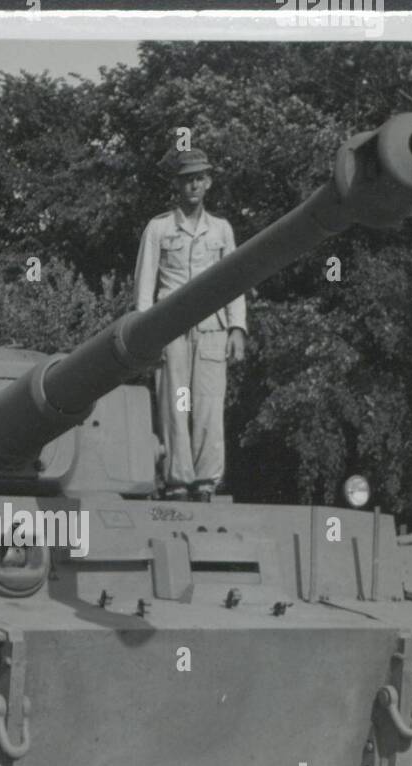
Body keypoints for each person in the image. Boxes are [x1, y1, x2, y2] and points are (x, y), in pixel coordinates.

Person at [134, 146, 247, 501]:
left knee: (209, 404)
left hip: (212, 328)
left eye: (199, 178)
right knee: (176, 403)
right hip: (171, 330)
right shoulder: (159, 228)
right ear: (176, 185)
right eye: (186, 180)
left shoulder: (221, 230)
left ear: (208, 182)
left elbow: (234, 280)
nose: (192, 187)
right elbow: (145, 284)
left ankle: (206, 480)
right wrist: (144, 335)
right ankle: (178, 479)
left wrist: (237, 328)